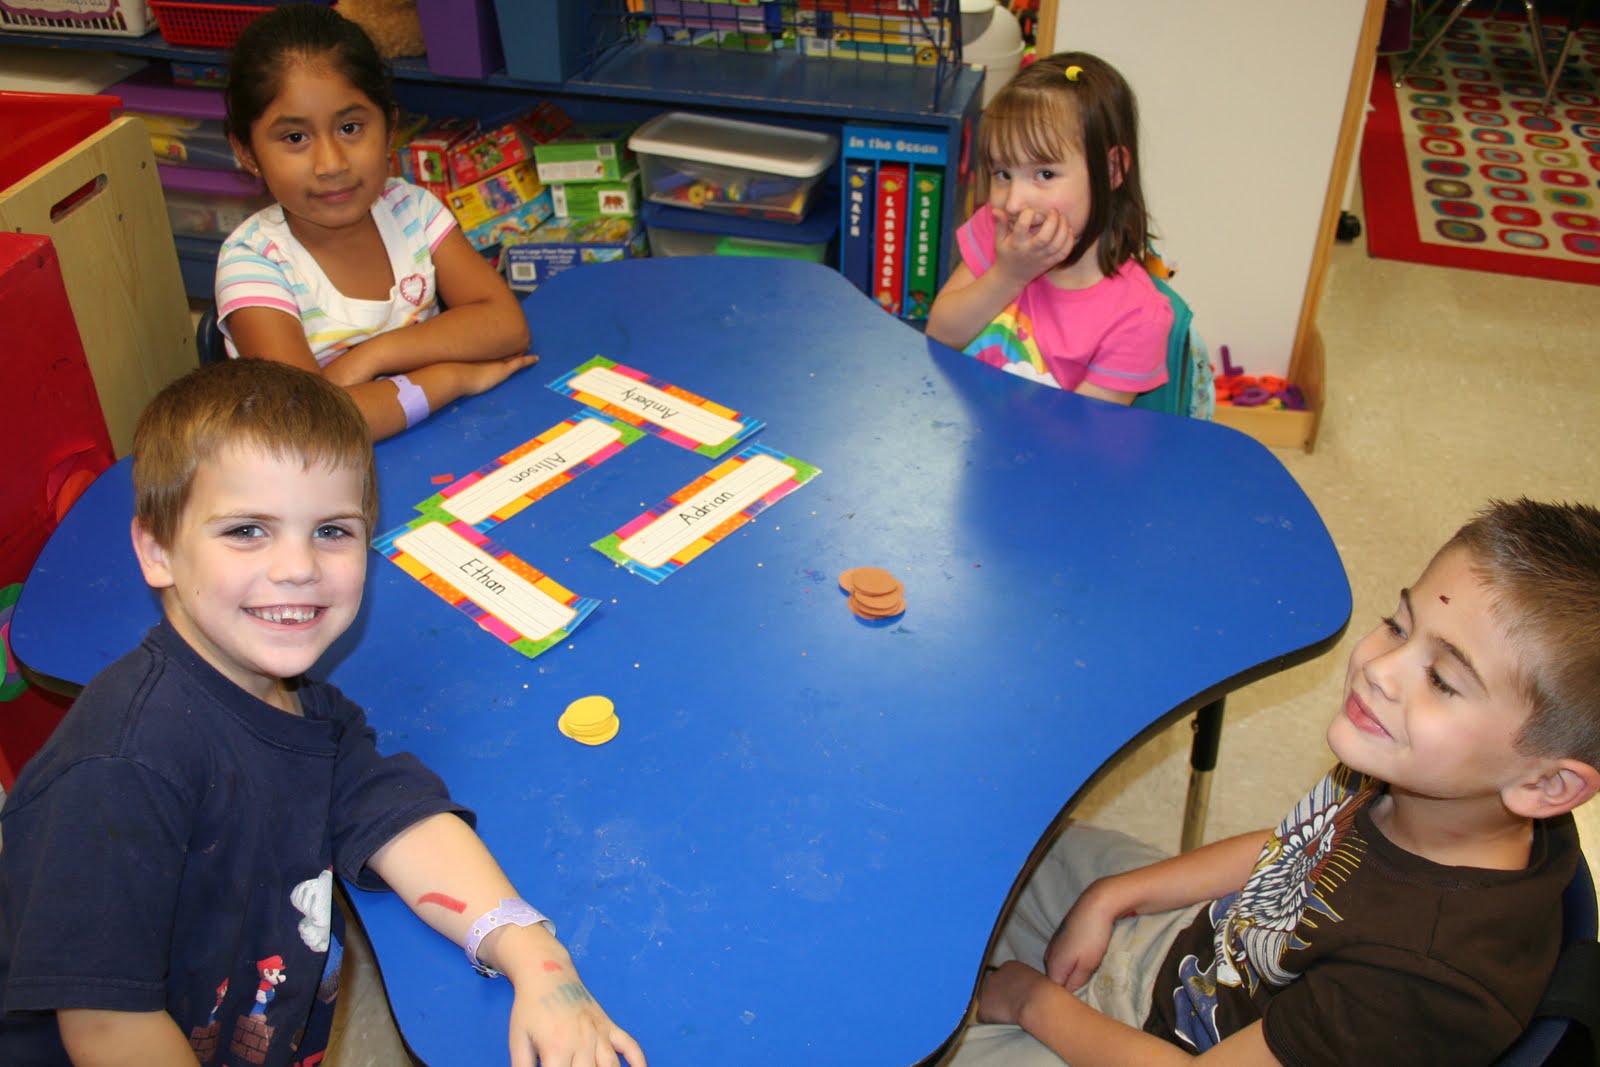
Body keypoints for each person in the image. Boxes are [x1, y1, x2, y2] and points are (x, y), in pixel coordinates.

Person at [0, 360, 645, 1067]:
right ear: (158, 551)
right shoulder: (119, 768)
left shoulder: (297, 699)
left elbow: (395, 816)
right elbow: (107, 1029)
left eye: (333, 530)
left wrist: (535, 957)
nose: (298, 567)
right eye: (248, 529)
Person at [946, 497, 1600, 1066]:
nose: (1380, 669)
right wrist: (1112, 895)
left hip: (1172, 1047)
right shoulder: (1421, 771)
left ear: (1547, 786)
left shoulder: (1424, 979)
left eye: (1442, 679)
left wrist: (1033, 1002)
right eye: (1399, 626)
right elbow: (1293, 848)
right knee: (981, 848)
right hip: (1203, 947)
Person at [215, 4, 536, 441]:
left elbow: (506, 325)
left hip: (435, 437)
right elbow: (311, 425)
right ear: (248, 153)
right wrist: (453, 378)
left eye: (350, 128)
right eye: (295, 137)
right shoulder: (254, 263)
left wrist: (374, 355)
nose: (331, 164)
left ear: (389, 129)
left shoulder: (412, 210)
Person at [926, 52, 1172, 404]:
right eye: (1002, 174)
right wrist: (1008, 275)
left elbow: (1088, 430)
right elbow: (940, 334)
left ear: (1112, 170)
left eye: (1044, 174)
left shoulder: (1138, 315)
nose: (1014, 202)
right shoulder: (998, 228)